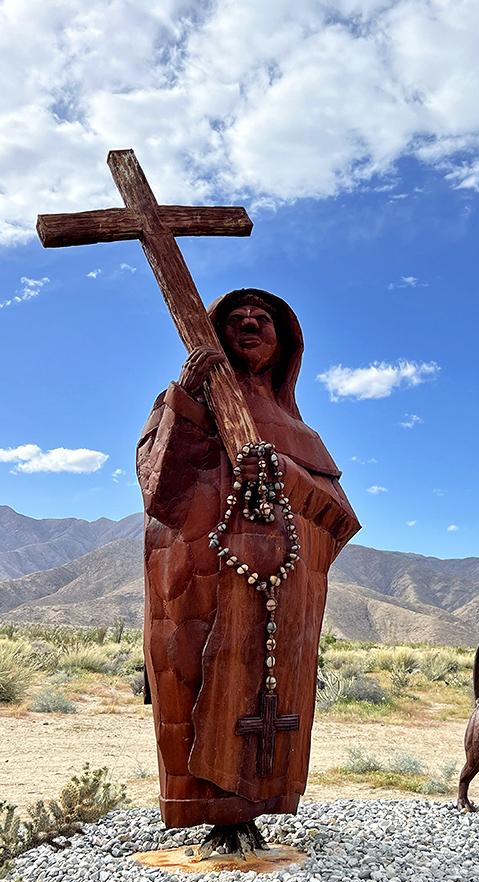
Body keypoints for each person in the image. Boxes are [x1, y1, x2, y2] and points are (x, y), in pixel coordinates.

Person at [137, 288, 359, 847]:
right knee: (193, 680)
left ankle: (254, 806)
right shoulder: (183, 403)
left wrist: (284, 472)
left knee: (271, 699)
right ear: (215, 332)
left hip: (281, 595)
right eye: (236, 318)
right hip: (201, 585)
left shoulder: (303, 434)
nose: (250, 324)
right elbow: (158, 491)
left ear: (284, 345)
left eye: (263, 319)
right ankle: (206, 812)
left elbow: (339, 522)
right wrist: (187, 399)